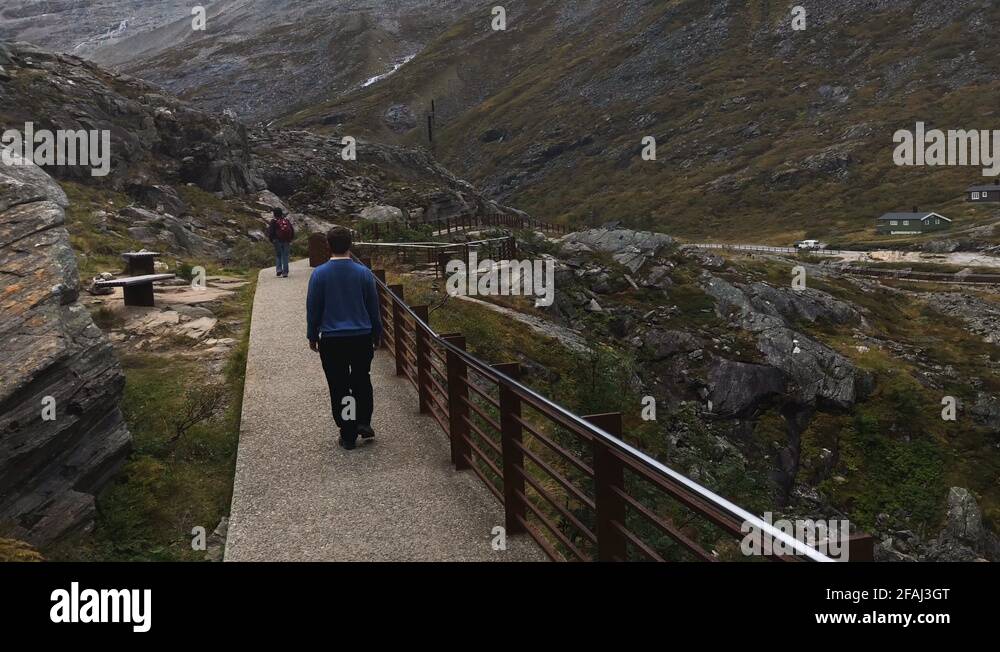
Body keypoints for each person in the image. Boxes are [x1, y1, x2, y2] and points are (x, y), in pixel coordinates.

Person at [307, 227, 382, 450]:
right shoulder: (363, 273)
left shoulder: (319, 274)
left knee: (339, 385)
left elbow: (313, 308)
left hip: (332, 339)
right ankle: (363, 421)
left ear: (328, 246)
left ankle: (348, 431)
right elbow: (373, 307)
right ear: (350, 245)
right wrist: (377, 333)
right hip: (361, 337)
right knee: (361, 379)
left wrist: (312, 335)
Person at [267, 207, 295, 278]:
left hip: (277, 241)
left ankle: (279, 270)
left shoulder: (274, 221)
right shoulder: (286, 220)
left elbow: (271, 232)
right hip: (286, 240)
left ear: (274, 214)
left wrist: (272, 240)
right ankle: (285, 272)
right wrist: (290, 239)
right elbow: (291, 230)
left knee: (278, 255)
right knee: (285, 256)